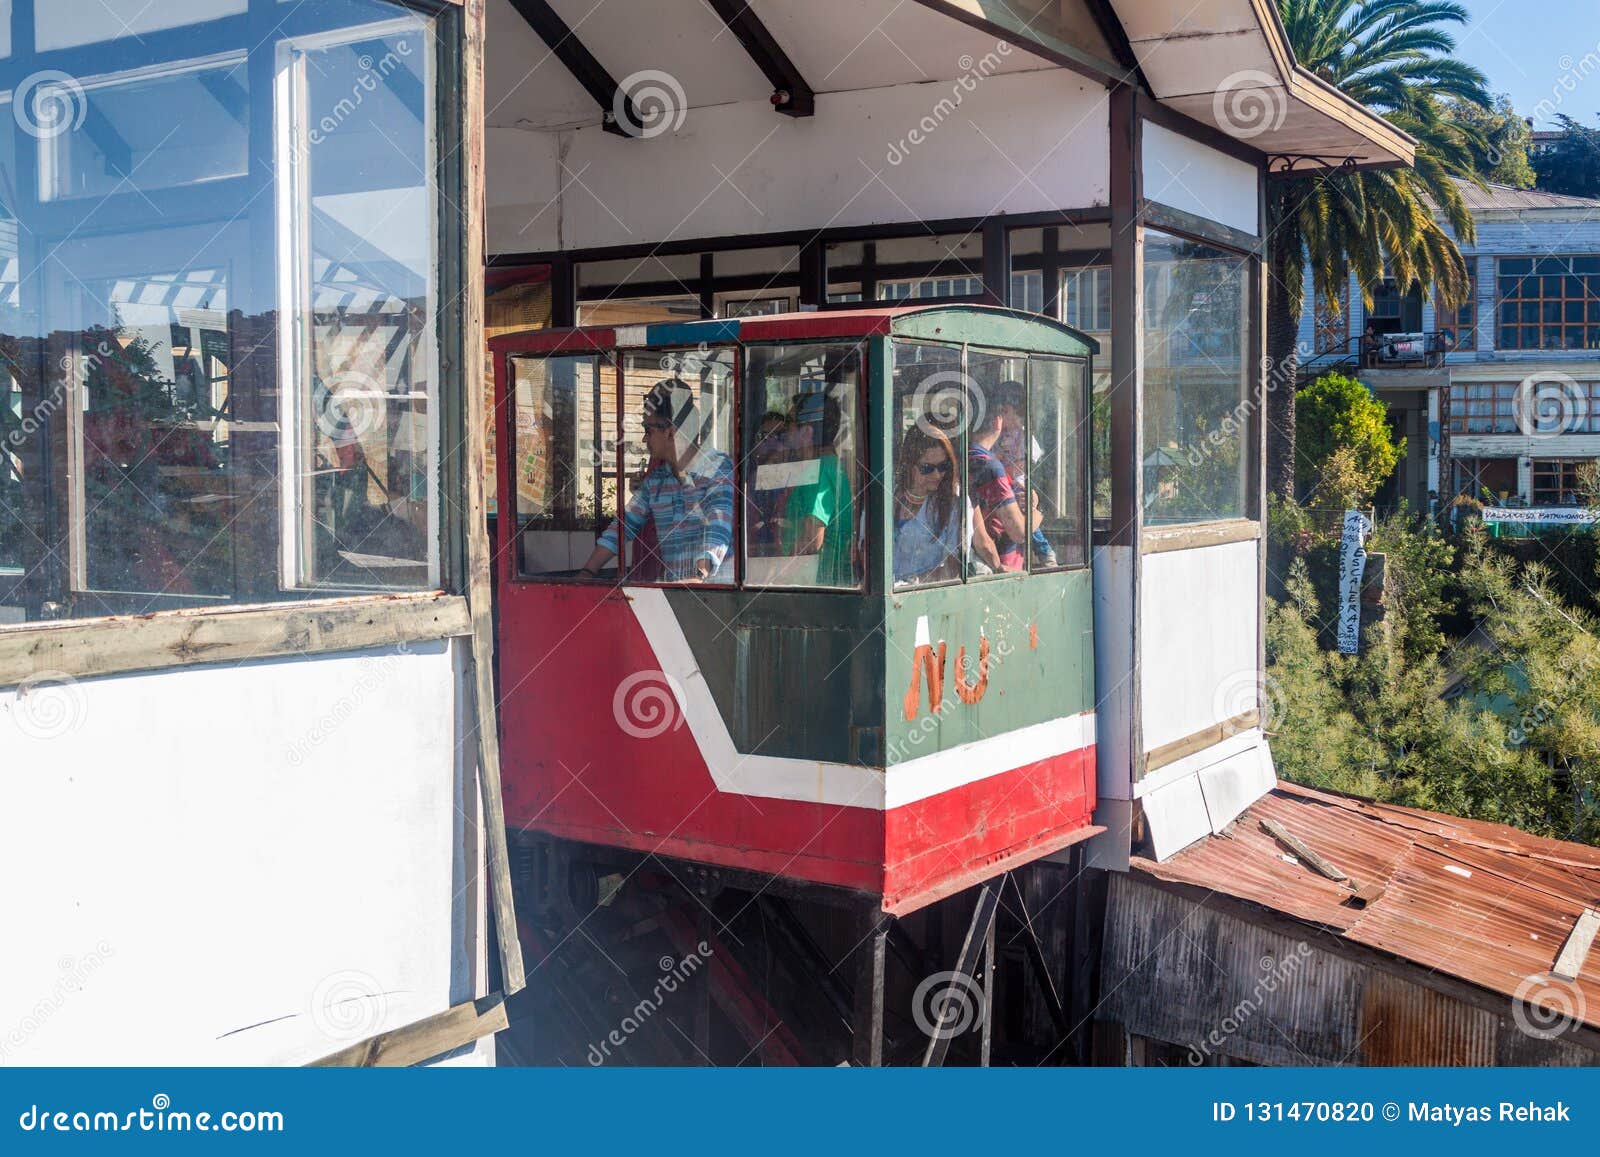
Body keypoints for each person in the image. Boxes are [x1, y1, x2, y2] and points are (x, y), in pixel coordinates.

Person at [578, 380, 734, 583]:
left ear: (670, 432)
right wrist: (587, 573)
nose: (644, 440)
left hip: (717, 596)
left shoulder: (718, 469)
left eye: (648, 430)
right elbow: (624, 525)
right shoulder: (656, 481)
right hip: (674, 593)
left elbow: (718, 524)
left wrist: (699, 576)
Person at [893, 423, 998, 585]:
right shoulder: (888, 496)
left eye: (943, 467)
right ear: (909, 465)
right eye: (927, 468)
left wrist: (910, 584)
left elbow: (952, 565)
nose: (937, 475)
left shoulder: (953, 505)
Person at [780, 391, 857, 587]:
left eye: (789, 423)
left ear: (806, 432)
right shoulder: (829, 466)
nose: (784, 430)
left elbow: (811, 540)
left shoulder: (819, 470)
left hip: (815, 584)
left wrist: (775, 573)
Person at [992, 379, 1058, 568]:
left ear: (1017, 411)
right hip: (1000, 482)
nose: (1000, 417)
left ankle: (1044, 550)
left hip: (1015, 484)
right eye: (999, 412)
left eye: (1004, 412)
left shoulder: (1024, 436)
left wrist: (1003, 470)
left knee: (1022, 513)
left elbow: (1025, 463)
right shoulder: (999, 434)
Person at [968, 382, 1031, 572]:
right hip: (1000, 559)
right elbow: (1018, 532)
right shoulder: (990, 466)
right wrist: (1037, 510)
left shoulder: (962, 455)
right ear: (998, 420)